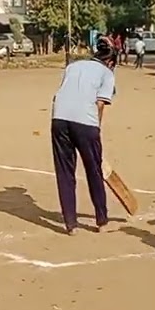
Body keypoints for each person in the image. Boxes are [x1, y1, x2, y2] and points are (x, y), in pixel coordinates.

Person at [50, 36, 118, 235]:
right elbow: (99, 104)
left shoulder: (73, 66)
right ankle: (102, 220)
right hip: (85, 122)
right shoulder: (107, 73)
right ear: (111, 61)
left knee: (65, 172)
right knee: (93, 170)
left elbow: (61, 93)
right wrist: (96, 131)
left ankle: (71, 224)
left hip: (59, 119)